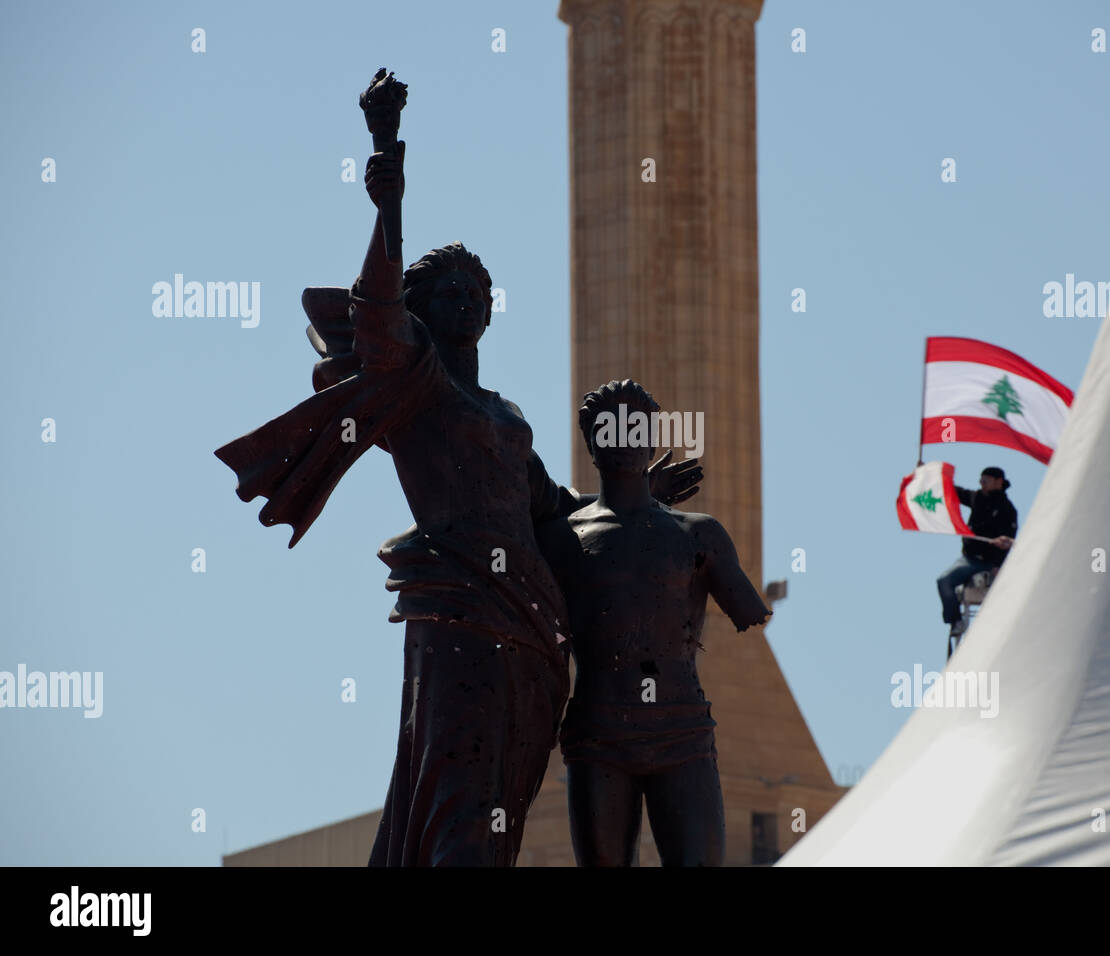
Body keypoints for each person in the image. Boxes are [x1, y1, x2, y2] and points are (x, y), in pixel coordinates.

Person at [215, 72, 701, 866]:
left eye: (479, 291)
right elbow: (375, 309)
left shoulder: (507, 417)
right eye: (449, 292)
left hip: (535, 634)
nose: (468, 301)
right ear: (424, 310)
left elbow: (555, 510)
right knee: (457, 801)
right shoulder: (419, 389)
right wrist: (387, 190)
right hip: (461, 614)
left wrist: (642, 497)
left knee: (498, 810)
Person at [535, 381, 771, 866]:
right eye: (610, 428)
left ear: (653, 440)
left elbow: (748, 610)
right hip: (599, 737)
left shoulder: (697, 534)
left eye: (634, 427)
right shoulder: (559, 542)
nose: (623, 437)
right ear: (593, 444)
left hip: (681, 734)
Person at [936, 466, 1017, 639]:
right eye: (980, 481)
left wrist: (997, 565)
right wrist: (929, 477)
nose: (981, 485)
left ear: (998, 482)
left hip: (990, 563)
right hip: (969, 560)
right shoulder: (978, 498)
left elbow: (1009, 541)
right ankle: (955, 621)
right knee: (944, 581)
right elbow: (954, 492)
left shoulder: (1007, 510)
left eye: (984, 481)